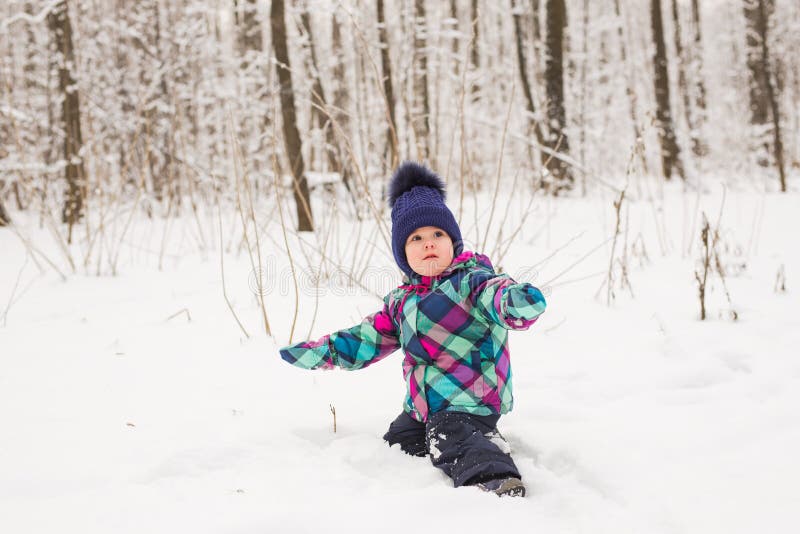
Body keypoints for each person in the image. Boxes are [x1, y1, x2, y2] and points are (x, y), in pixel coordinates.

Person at [279, 161, 547, 497]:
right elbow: (366, 339)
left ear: (453, 242)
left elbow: (497, 296)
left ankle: (493, 476)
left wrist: (515, 302)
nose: (428, 243)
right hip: (424, 405)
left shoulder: (472, 282)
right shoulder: (401, 302)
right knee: (399, 441)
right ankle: (459, 447)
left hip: (473, 400)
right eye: (416, 238)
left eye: (438, 235)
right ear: (403, 254)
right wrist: (324, 352)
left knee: (450, 434)